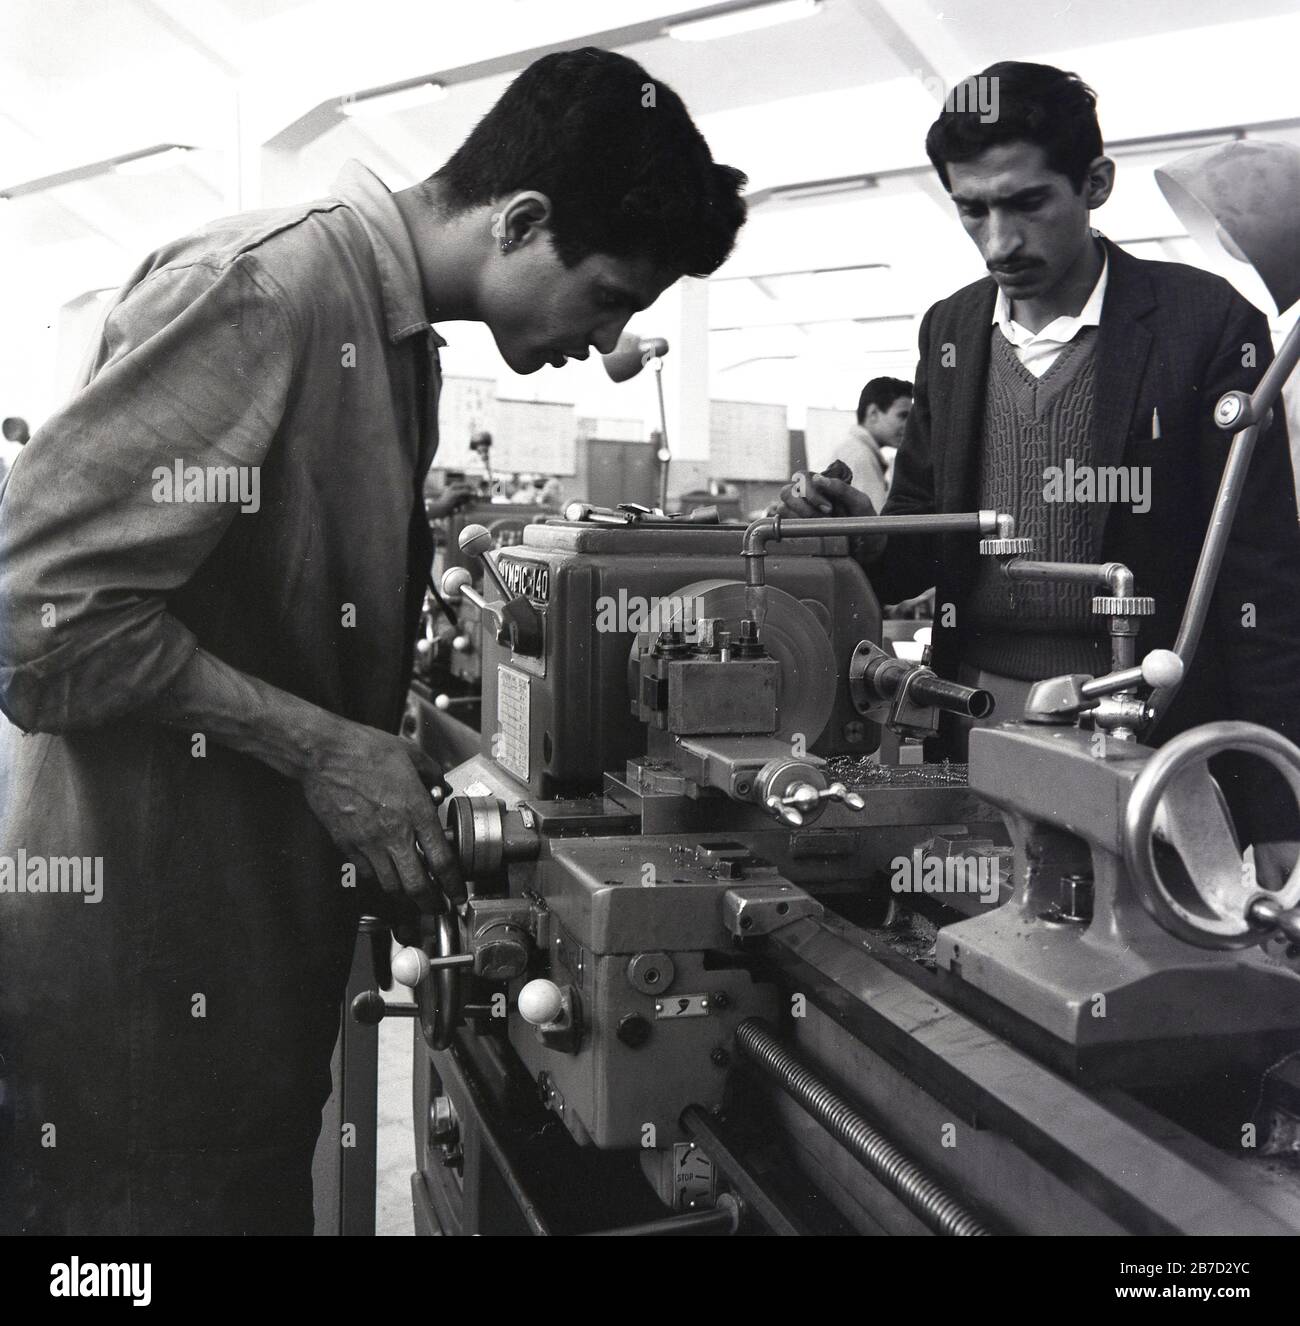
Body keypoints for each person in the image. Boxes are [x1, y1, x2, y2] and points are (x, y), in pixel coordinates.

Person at [0, 46, 746, 1235]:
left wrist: (370, 743)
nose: (597, 335)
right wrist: (320, 751)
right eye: (606, 295)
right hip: (140, 975)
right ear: (522, 218)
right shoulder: (267, 290)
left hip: (239, 959)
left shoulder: (390, 335)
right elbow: (32, 616)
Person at [779, 61, 1300, 884]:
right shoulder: (951, 328)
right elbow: (922, 531)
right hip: (976, 717)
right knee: (981, 943)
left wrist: (1277, 806)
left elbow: (1260, 580)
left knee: (1139, 961)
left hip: (1140, 725)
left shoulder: (1204, 324)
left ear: (1095, 183)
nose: (1000, 243)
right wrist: (855, 524)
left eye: (1027, 204)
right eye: (972, 210)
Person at [828, 377, 911, 511]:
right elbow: (874, 522)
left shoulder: (855, 448)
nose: (909, 425)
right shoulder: (860, 454)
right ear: (873, 413)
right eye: (903, 416)